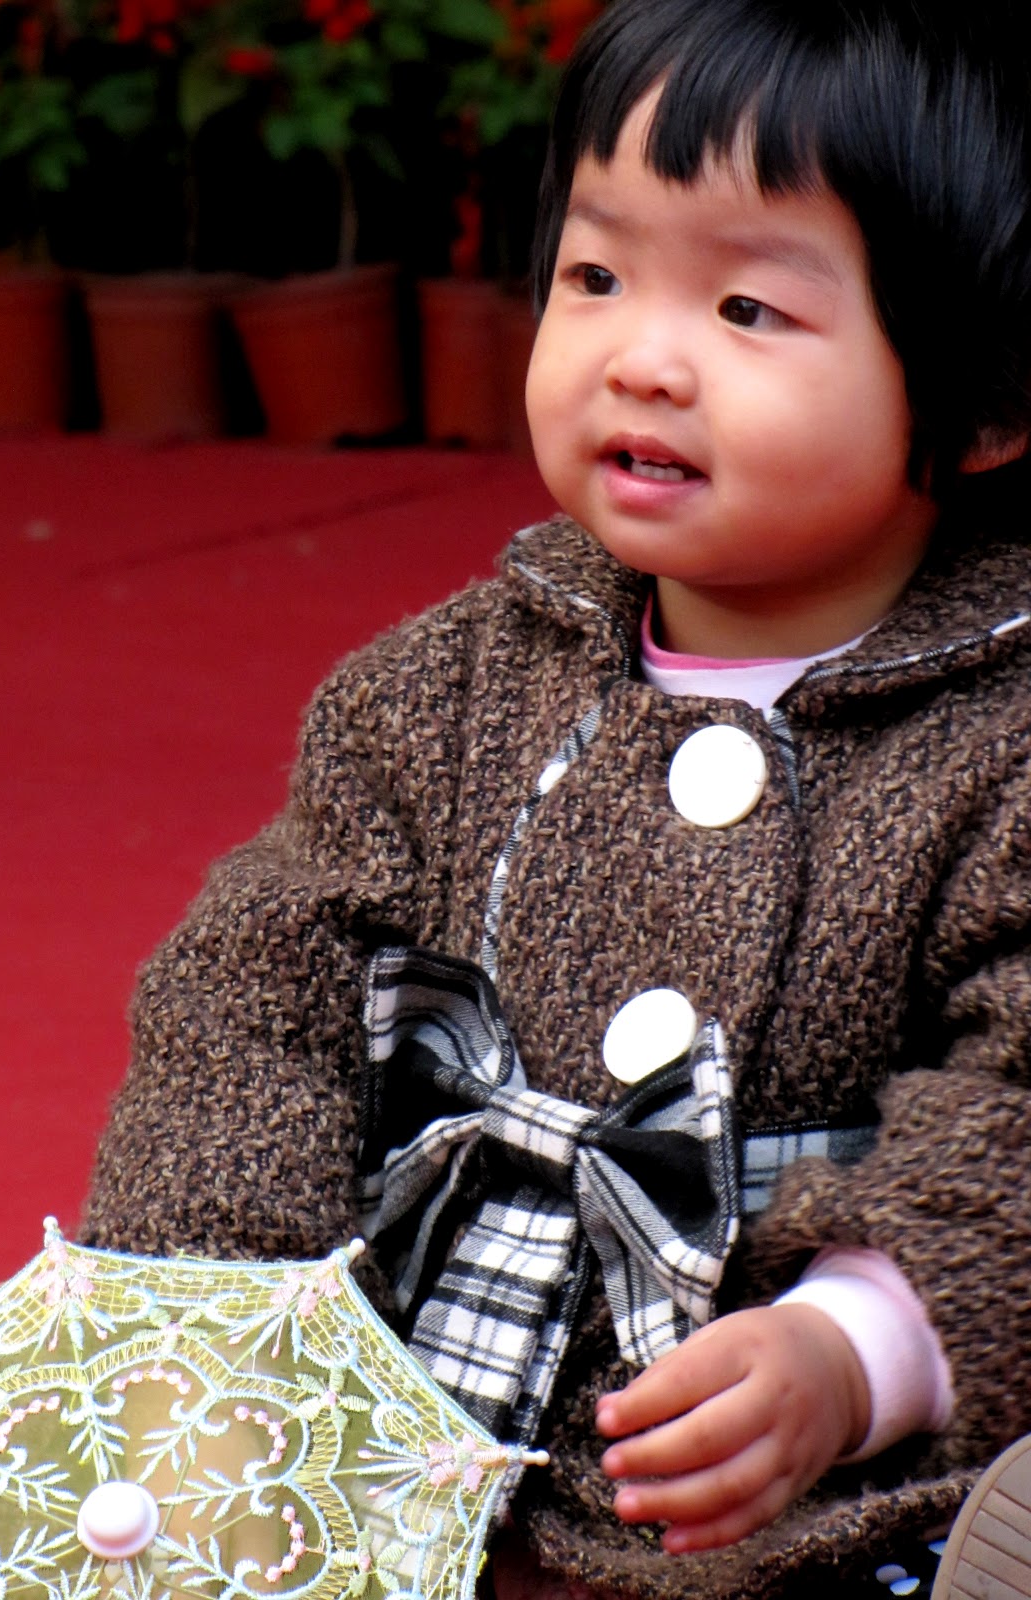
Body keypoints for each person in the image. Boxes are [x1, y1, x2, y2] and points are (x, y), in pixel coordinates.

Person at [80, 0, 1031, 1595]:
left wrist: (859, 1344)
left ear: (990, 401)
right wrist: (207, 1328)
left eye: (744, 304)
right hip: (409, 1425)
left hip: (816, 1491)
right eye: (595, 276)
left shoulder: (1000, 740)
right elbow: (253, 1002)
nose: (640, 357)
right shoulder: (442, 691)